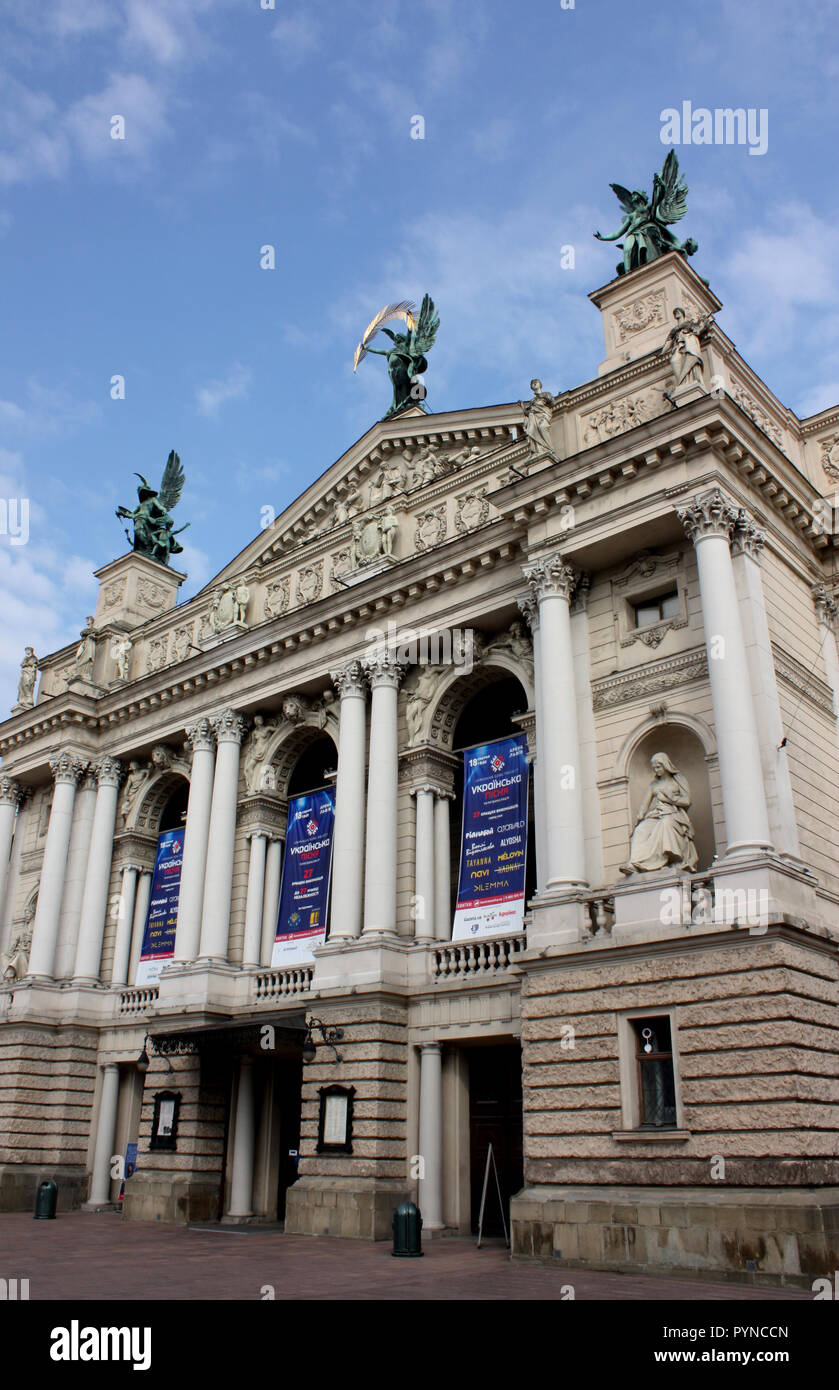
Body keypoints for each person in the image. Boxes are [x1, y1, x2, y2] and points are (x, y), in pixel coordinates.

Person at [620, 752, 698, 874]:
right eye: (654, 768)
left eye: (658, 767)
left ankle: (663, 861)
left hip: (674, 815)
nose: (656, 770)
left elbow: (687, 801)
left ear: (665, 765)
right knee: (641, 830)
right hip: (657, 815)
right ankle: (634, 864)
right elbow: (644, 805)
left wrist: (670, 800)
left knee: (665, 824)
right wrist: (639, 818)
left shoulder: (677, 780)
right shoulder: (654, 785)